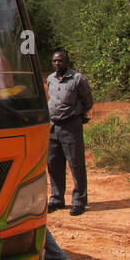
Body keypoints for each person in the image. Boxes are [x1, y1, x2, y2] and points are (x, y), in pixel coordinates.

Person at [46, 47, 92, 215]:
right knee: (53, 164)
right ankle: (57, 199)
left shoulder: (77, 79)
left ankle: (79, 201)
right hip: (52, 126)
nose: (57, 63)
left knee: (76, 164)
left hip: (70, 126)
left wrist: (77, 113)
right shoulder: (50, 78)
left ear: (67, 62)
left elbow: (88, 101)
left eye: (60, 60)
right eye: (55, 61)